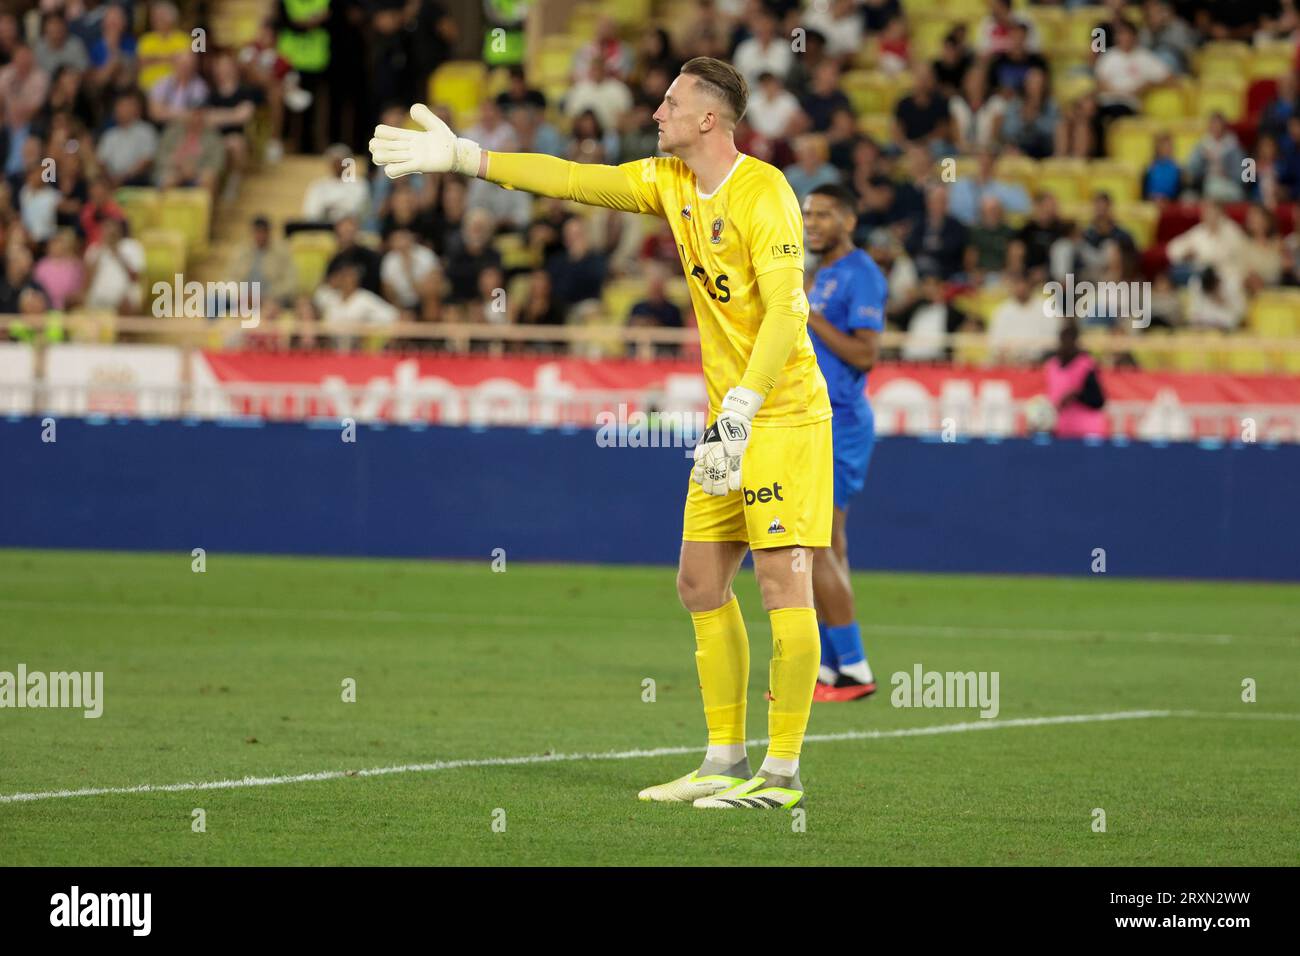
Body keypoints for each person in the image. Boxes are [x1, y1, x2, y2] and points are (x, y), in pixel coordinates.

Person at [371, 56, 830, 810]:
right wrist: (466, 158)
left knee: (783, 583)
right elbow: (574, 179)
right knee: (699, 581)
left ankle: (781, 776)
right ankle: (723, 757)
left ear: (709, 119)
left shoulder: (764, 193)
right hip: (730, 422)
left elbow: (788, 312)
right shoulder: (668, 180)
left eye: (672, 101)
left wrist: (744, 407)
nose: (657, 111)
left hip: (781, 417)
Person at [801, 184, 884, 702]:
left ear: (849, 221)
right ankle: (829, 669)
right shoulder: (826, 276)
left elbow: (865, 353)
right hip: (818, 418)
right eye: (808, 213)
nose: (812, 222)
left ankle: (853, 666)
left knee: (814, 544)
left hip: (841, 421)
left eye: (824, 214)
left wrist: (807, 314)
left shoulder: (862, 275)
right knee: (828, 543)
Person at [1045, 322, 1107, 439]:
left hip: (1087, 431)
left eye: (1070, 340)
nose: (1067, 344)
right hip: (1062, 430)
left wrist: (1077, 395)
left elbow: (1098, 400)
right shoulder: (1052, 365)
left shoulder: (1086, 364)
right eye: (1064, 340)